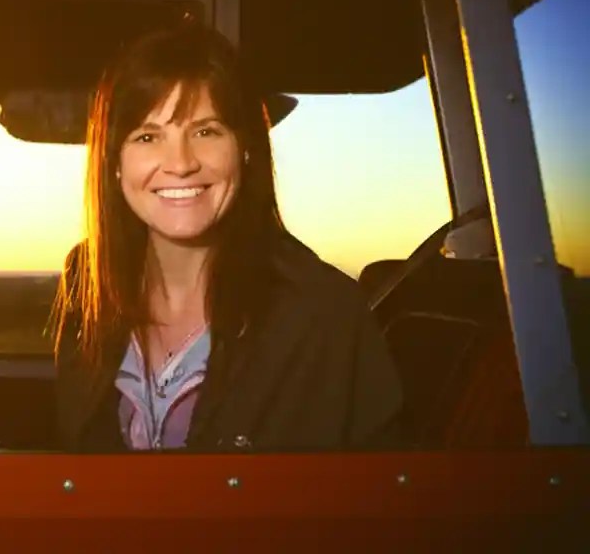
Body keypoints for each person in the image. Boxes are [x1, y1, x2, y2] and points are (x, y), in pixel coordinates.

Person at [52, 23, 402, 453]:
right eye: (148, 136)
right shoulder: (87, 286)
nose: (180, 163)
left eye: (206, 132)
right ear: (114, 163)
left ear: (245, 148)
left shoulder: (323, 314)